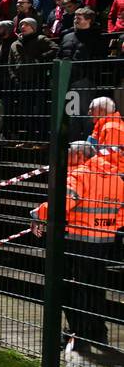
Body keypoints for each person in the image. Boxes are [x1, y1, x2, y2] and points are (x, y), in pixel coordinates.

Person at [31, 142, 124, 349]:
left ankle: (79, 334)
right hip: (103, 241)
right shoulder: (116, 178)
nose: (65, 156)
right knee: (94, 288)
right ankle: (97, 333)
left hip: (76, 239)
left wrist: (38, 214)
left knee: (72, 288)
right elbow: (121, 212)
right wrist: (107, 228)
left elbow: (63, 203)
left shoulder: (79, 175)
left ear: (81, 156)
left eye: (69, 152)